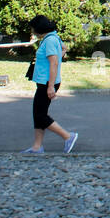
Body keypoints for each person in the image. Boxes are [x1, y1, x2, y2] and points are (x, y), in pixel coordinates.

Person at [22, 15, 78, 155]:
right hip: (44, 82)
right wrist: (60, 54)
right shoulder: (53, 38)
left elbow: (54, 62)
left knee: (40, 115)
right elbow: (63, 50)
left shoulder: (50, 40)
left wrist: (50, 86)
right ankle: (37, 146)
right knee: (38, 114)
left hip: (47, 83)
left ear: (39, 28)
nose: (33, 31)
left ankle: (68, 136)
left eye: (33, 29)